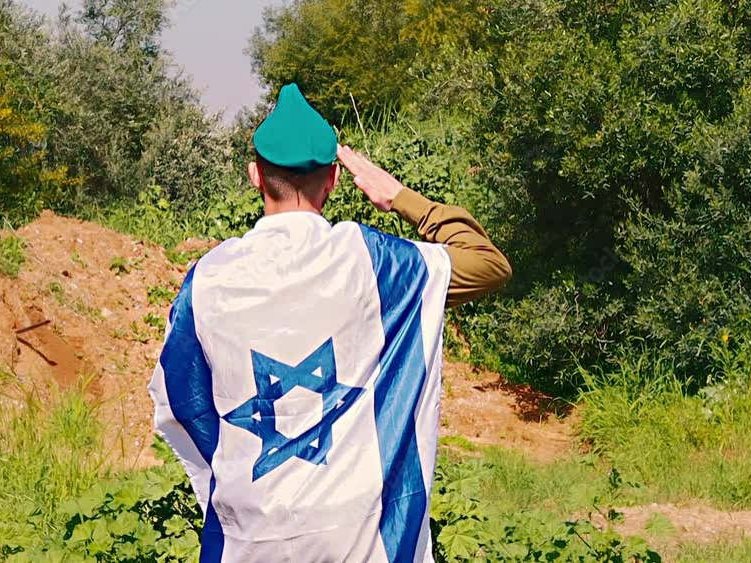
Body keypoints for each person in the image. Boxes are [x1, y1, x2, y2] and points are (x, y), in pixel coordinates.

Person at [148, 83, 511, 563]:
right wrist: (399, 197)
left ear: (255, 175)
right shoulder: (372, 262)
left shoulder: (210, 277)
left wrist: (236, 472)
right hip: (359, 539)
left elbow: (180, 399)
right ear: (335, 179)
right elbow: (488, 264)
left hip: (252, 538)